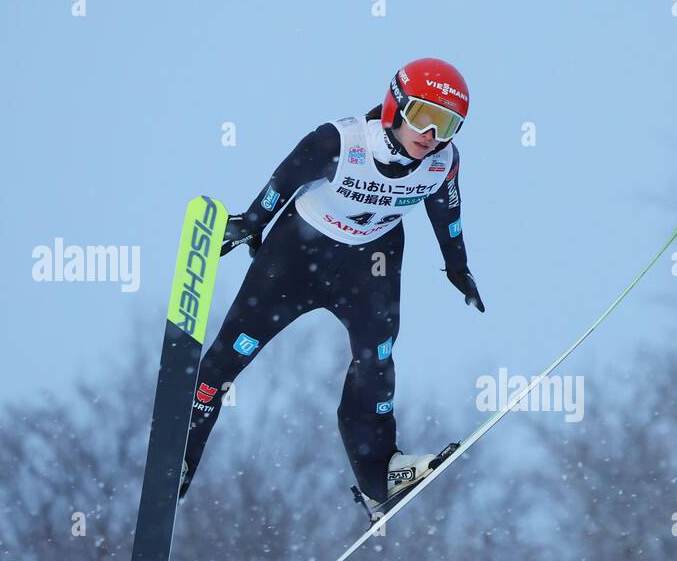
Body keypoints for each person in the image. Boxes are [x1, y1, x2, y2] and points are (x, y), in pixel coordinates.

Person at [178, 57, 483, 520]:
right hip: (297, 257)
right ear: (396, 105)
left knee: (376, 359)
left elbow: (447, 213)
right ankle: (181, 454)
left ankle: (379, 476)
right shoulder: (339, 141)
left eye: (448, 124)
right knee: (228, 357)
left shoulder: (442, 163)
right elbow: (286, 178)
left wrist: (457, 267)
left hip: (369, 264)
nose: (433, 135)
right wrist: (251, 222)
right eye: (424, 116)